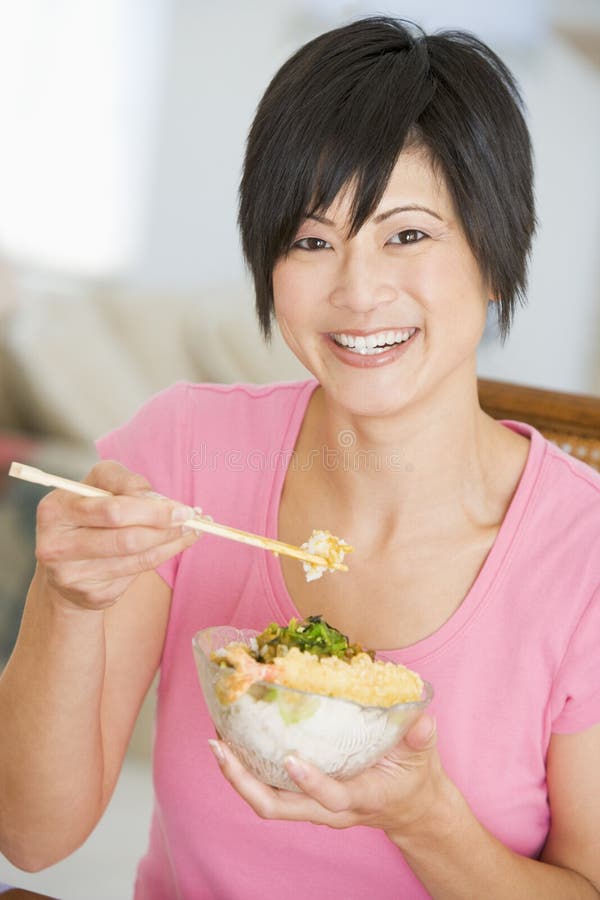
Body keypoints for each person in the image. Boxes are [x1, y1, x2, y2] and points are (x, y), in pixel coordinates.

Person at [1, 15, 599, 899]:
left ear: (496, 257)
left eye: (407, 234)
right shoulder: (185, 455)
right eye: (312, 241)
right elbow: (32, 838)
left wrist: (425, 819)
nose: (357, 293)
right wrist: (68, 597)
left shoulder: (581, 552)